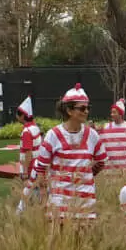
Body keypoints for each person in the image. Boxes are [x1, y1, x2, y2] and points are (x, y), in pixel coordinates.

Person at [30, 84, 108, 222]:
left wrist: (87, 175)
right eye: (82, 108)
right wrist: (43, 194)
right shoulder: (53, 135)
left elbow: (102, 161)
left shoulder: (92, 135)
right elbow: (41, 167)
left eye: (88, 108)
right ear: (69, 111)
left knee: (84, 242)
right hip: (59, 202)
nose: (86, 112)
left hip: (86, 203)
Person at [15, 96, 44, 214]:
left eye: (18, 114)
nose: (16, 117)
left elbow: (28, 152)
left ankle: (20, 215)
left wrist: (25, 173)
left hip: (31, 168)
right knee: (34, 191)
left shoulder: (26, 132)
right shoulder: (35, 127)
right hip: (37, 166)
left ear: (22, 116)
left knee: (28, 192)